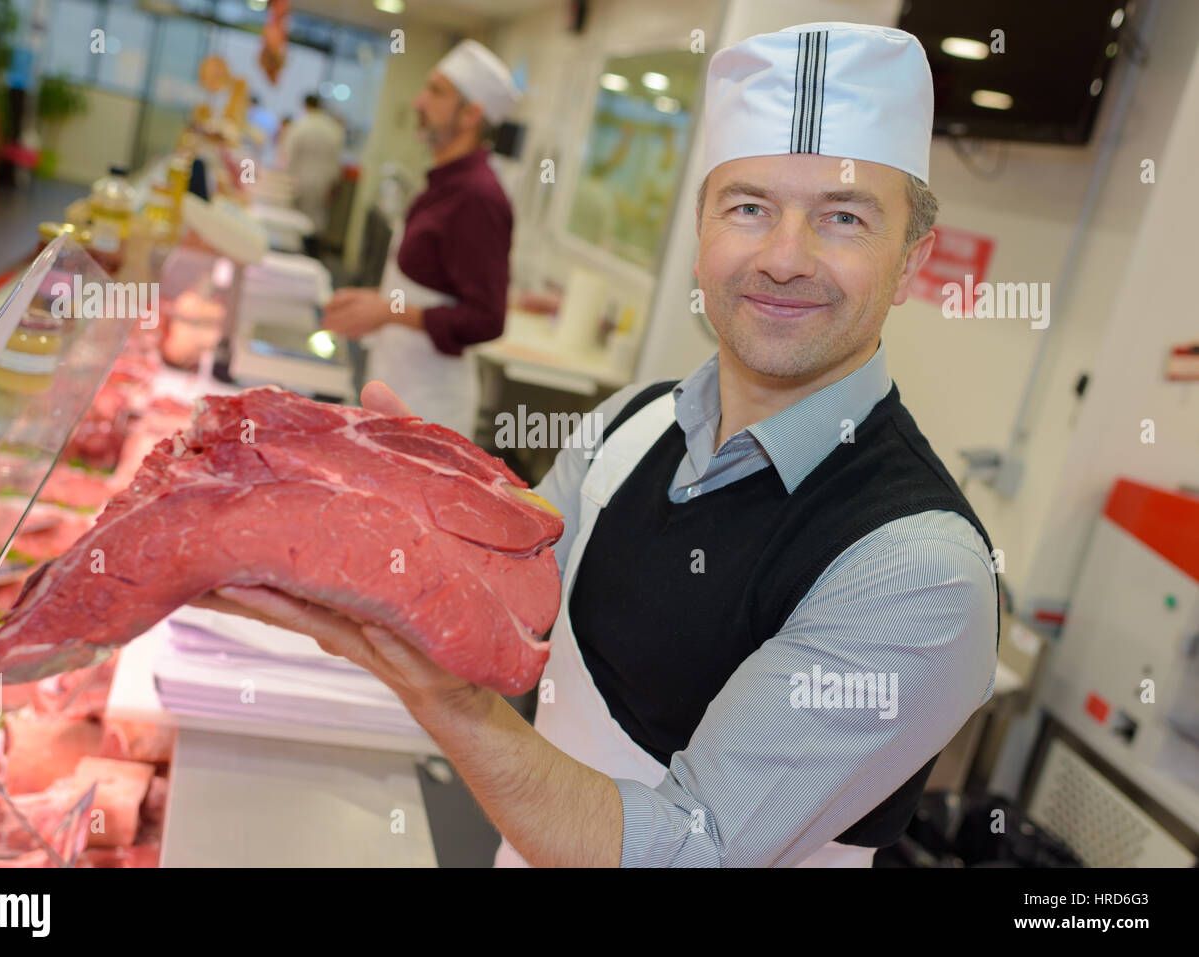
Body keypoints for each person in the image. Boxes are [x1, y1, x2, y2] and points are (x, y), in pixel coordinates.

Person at [200, 22, 1000, 867]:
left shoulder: (918, 568)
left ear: (913, 261)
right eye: (749, 208)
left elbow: (688, 851)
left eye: (842, 217)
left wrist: (449, 703)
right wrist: (392, 507)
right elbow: (510, 613)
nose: (784, 257)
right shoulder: (632, 421)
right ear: (701, 233)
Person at [320, 39, 517, 440]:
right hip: (396, 381)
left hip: (430, 403)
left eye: (436, 91)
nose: (419, 102)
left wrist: (388, 312)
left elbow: (487, 318)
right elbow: (427, 285)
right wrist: (372, 299)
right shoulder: (443, 181)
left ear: (471, 114)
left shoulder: (478, 196)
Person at [282, 93, 345, 256]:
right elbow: (337, 160)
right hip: (324, 183)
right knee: (317, 225)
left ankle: (297, 258)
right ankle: (312, 256)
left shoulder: (300, 126)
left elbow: (289, 157)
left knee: (298, 226)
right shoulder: (334, 129)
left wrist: (287, 180)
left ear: (306, 106)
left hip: (301, 181)